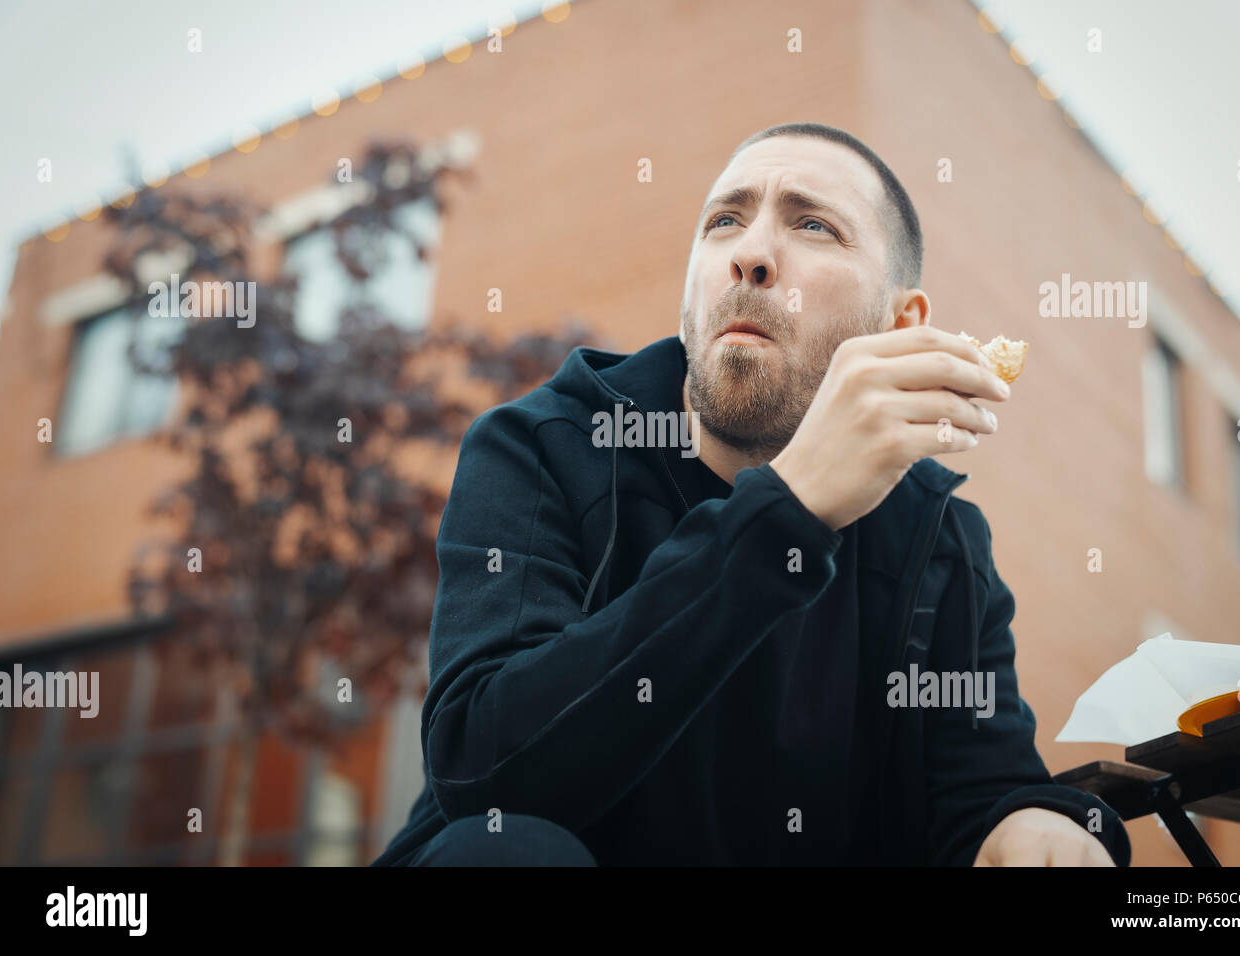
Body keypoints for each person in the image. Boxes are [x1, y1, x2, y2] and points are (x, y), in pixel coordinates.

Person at [372, 122, 1130, 867]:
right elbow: (484, 772)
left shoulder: (938, 541)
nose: (751, 255)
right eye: (724, 221)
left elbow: (982, 795)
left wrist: (1041, 825)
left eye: (814, 226)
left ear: (900, 325)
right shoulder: (544, 445)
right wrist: (788, 510)